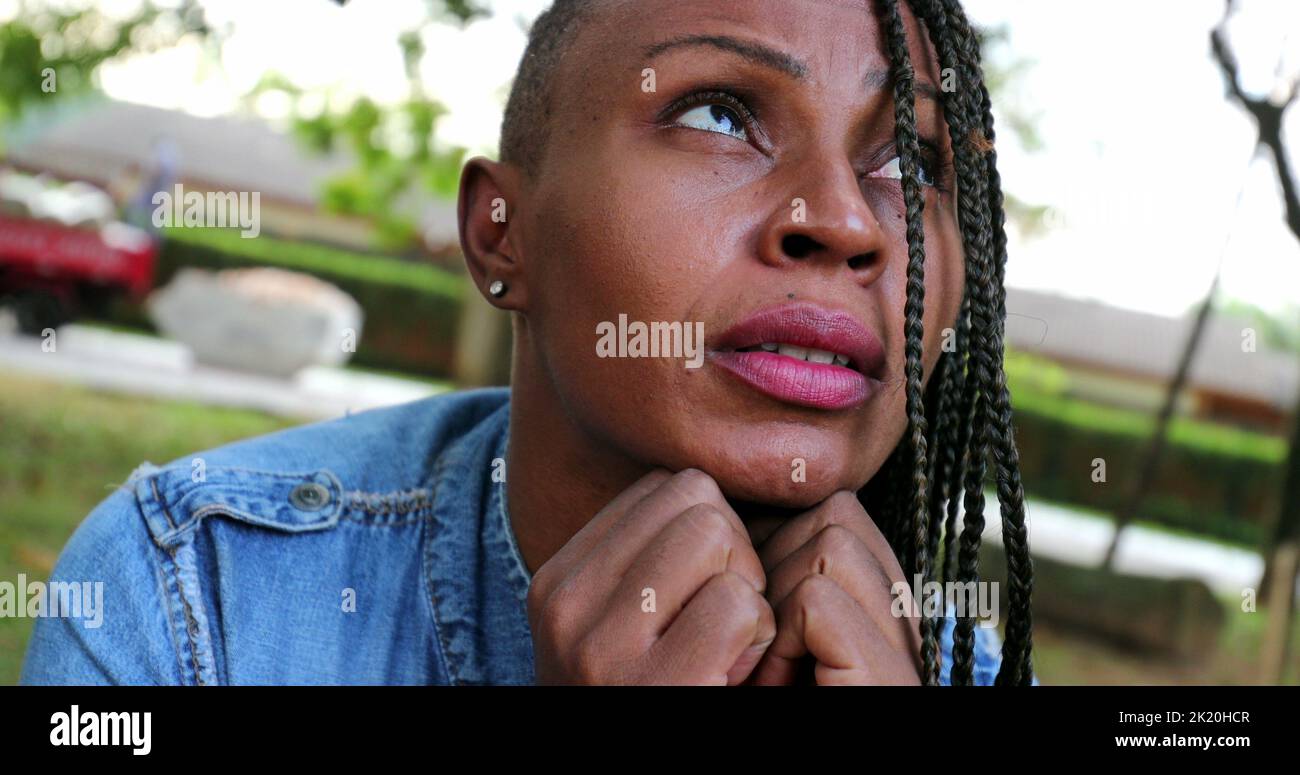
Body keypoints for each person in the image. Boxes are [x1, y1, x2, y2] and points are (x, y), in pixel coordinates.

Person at [21, 0, 1032, 686]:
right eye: (719, 113)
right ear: (500, 234)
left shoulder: (968, 670)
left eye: (912, 158)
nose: (846, 222)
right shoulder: (197, 594)